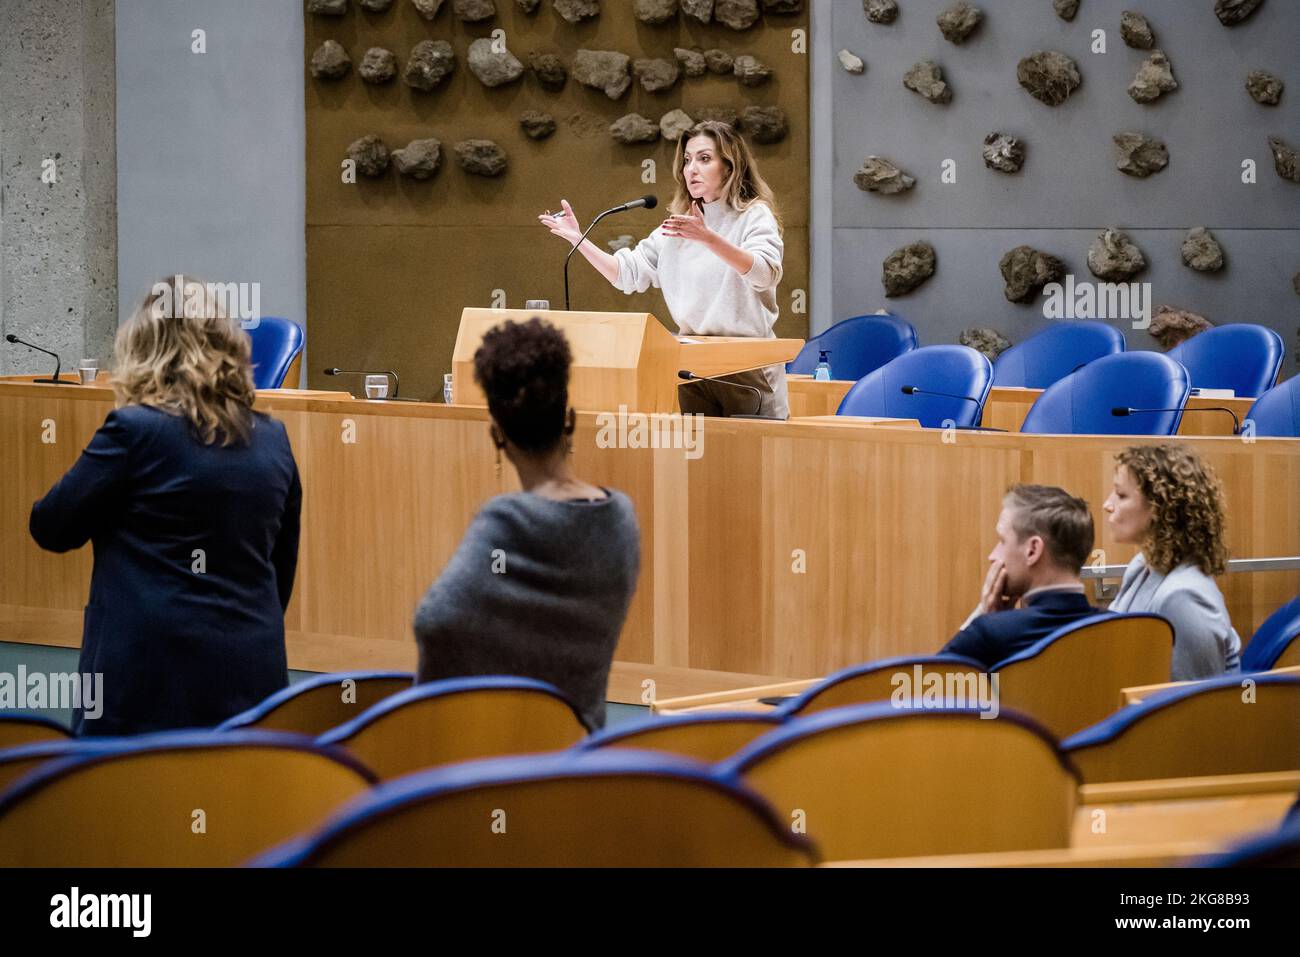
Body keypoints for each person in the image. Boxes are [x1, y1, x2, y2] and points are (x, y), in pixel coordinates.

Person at [29, 278, 301, 735]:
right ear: (230, 347)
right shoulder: (273, 439)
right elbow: (281, 568)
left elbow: (51, 526)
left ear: (142, 350)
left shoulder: (133, 431)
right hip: (251, 675)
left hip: (142, 681)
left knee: (129, 801)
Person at [413, 317, 640, 730]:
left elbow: (434, 621)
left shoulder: (506, 520)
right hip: (577, 751)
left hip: (495, 755)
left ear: (497, 434)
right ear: (569, 419)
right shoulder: (621, 516)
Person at [540, 120, 788, 418]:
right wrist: (578, 239)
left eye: (704, 158)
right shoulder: (678, 226)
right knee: (701, 462)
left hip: (745, 367)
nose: (691, 169)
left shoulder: (752, 216)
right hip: (692, 364)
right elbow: (626, 274)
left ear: (730, 166)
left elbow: (764, 274)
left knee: (748, 463)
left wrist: (708, 238)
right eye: (687, 160)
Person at [1103, 444, 1242, 680]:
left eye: (1121, 495)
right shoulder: (1142, 565)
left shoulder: (1183, 596)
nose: (1107, 504)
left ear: (1159, 508)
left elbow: (1195, 704)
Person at [940, 484, 1105, 668]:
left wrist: (981, 616)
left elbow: (918, 688)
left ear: (1032, 550)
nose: (992, 556)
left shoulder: (990, 634)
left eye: (1002, 541)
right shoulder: (1121, 629)